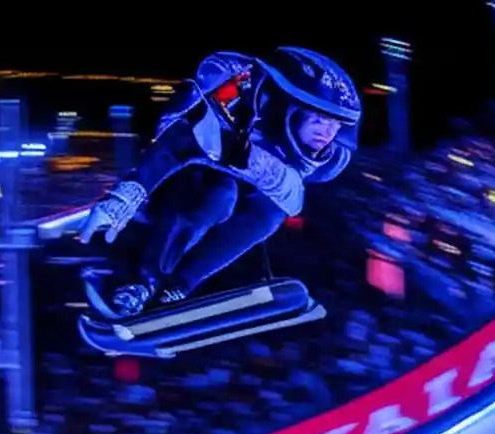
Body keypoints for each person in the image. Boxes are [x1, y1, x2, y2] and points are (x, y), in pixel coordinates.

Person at [78, 48, 362, 319]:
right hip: (179, 179)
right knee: (219, 195)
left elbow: (288, 198)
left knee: (269, 212)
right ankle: (142, 281)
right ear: (292, 108)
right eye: (319, 120)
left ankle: (177, 287)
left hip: (235, 177)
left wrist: (255, 166)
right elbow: (177, 142)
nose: (327, 133)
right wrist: (124, 197)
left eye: (335, 124)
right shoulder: (236, 97)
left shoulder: (331, 159)